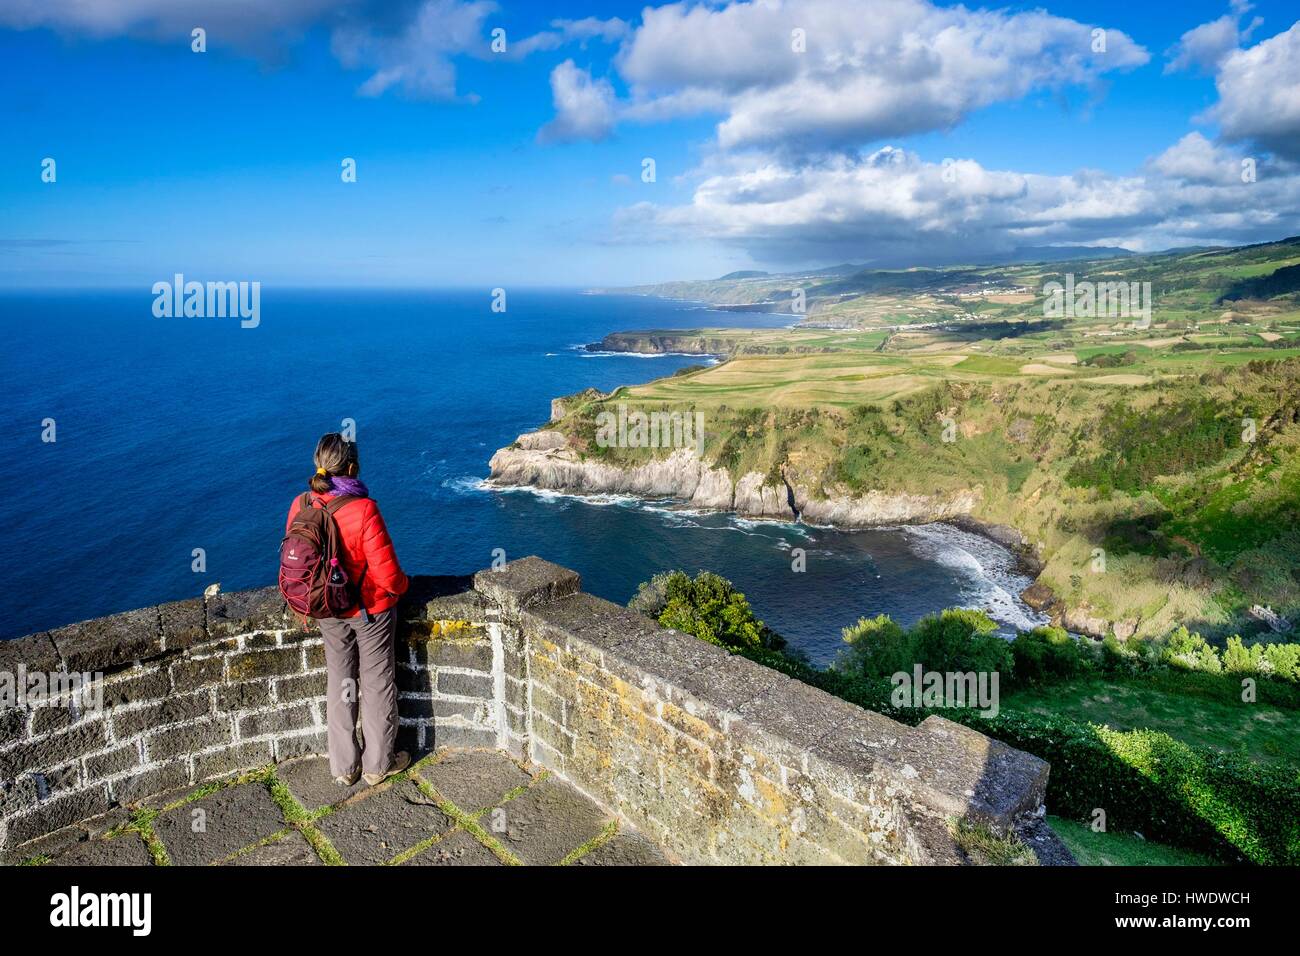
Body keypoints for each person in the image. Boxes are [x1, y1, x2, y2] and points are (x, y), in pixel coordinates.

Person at [287, 433, 410, 787]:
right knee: (377, 684)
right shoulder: (364, 508)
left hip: (326, 610)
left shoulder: (301, 505)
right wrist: (404, 589)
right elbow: (388, 575)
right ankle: (377, 764)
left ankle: (344, 767)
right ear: (353, 468)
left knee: (339, 682)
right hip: (369, 610)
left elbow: (300, 564)